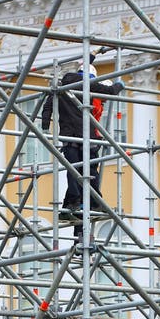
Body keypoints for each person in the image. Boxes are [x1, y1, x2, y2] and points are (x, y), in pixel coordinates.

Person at [41, 57, 124, 223]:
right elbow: (108, 91)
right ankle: (92, 203)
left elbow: (48, 106)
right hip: (85, 136)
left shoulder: (61, 86)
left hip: (68, 136)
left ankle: (74, 204)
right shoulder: (86, 83)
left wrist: (45, 127)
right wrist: (119, 85)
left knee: (75, 171)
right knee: (89, 172)